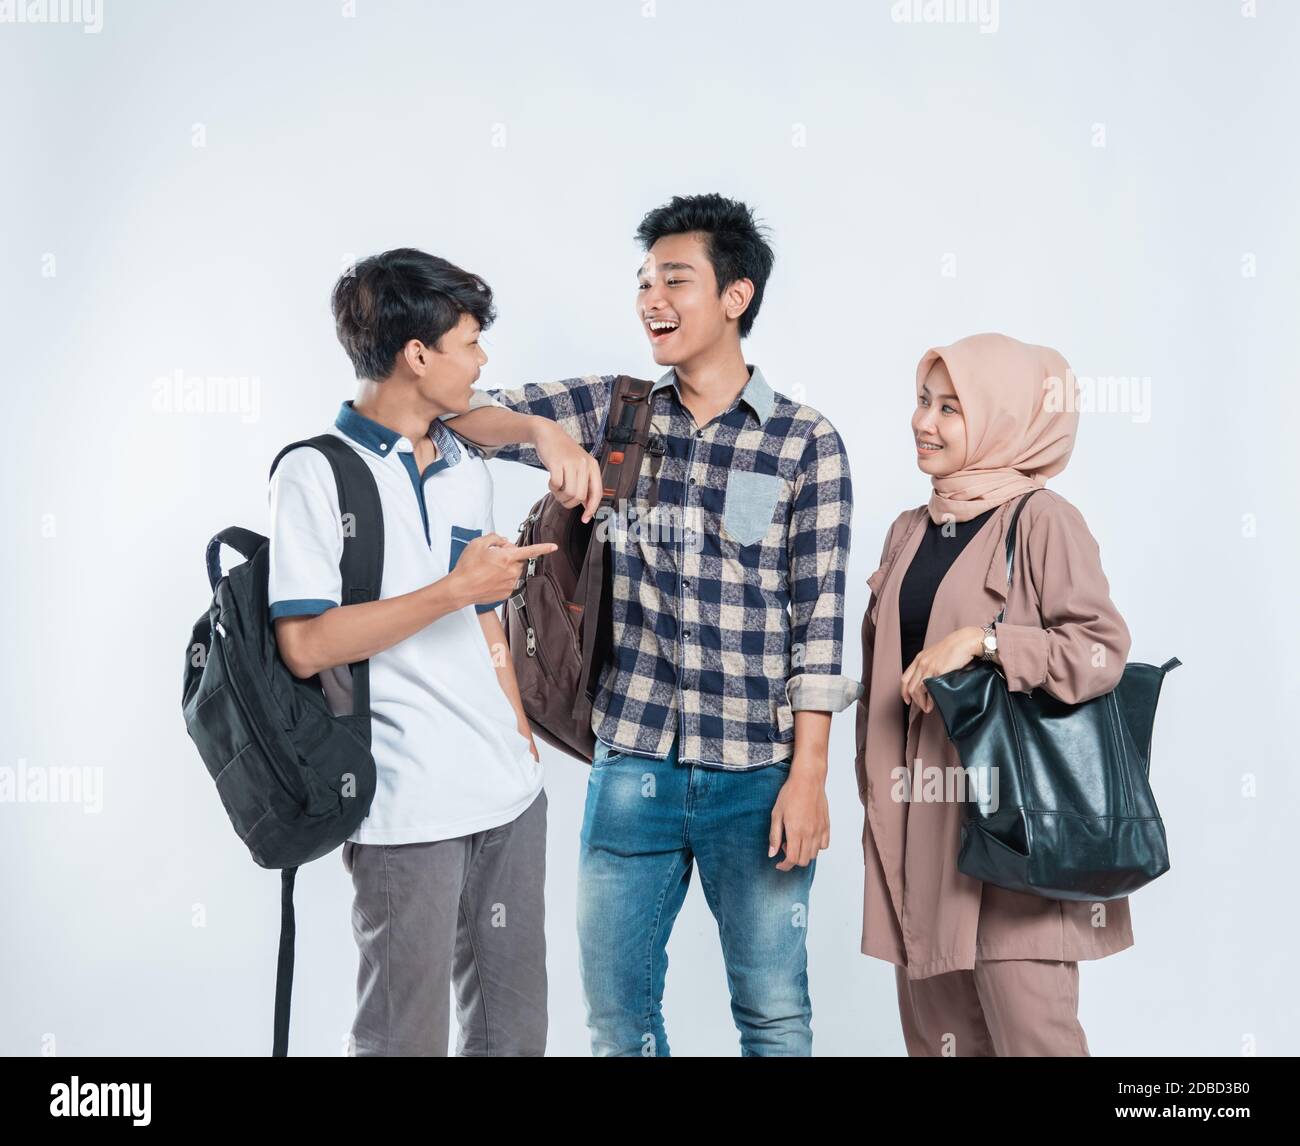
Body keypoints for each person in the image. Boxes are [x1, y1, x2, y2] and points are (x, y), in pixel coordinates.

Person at [444, 194, 858, 1056]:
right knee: (618, 1022)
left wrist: (810, 775)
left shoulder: (804, 442)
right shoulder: (616, 411)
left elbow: (820, 621)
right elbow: (460, 415)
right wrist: (546, 438)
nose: (650, 301)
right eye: (642, 282)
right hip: (631, 762)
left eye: (675, 279)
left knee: (775, 1018)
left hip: (758, 772)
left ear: (736, 296)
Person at [267, 248, 559, 1056]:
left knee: (516, 1035)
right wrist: (450, 592)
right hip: (405, 810)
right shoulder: (314, 474)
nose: (484, 360)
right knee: (405, 1040)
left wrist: (518, 730)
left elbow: (488, 622)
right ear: (417, 354)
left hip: (507, 794)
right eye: (470, 342)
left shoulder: (468, 467)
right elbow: (305, 643)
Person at [854, 332, 1133, 1057]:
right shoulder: (908, 531)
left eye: (952, 408)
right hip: (920, 849)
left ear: (1007, 418)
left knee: (1034, 1044)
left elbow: (1101, 651)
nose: (924, 421)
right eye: (923, 400)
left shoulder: (1042, 520)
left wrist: (983, 642)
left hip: (1017, 850)